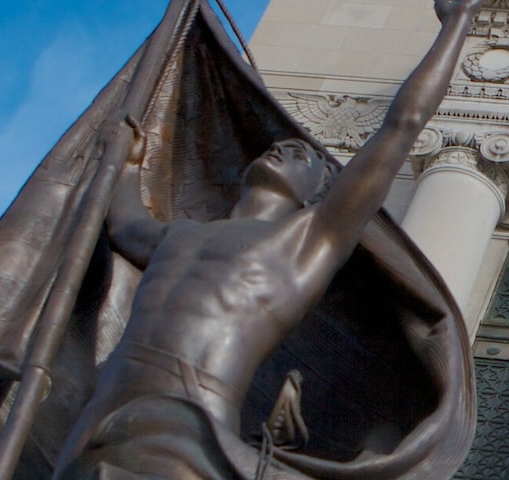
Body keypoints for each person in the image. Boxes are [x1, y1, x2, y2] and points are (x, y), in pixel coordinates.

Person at [52, 1, 484, 477]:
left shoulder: (307, 242)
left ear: (314, 194)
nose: (284, 147)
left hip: (189, 427)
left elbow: (401, 125)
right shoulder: (178, 235)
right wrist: (128, 160)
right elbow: (123, 223)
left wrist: (457, 21)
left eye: (302, 154)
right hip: (98, 417)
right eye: (280, 145)